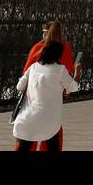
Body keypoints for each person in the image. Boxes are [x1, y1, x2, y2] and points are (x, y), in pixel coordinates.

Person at [23, 20, 79, 150]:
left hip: (33, 102)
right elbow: (69, 80)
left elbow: (25, 74)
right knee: (52, 136)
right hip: (53, 105)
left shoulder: (38, 47)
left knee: (28, 139)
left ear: (45, 32)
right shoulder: (65, 48)